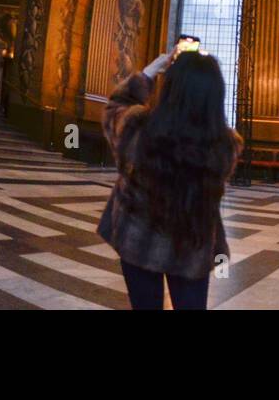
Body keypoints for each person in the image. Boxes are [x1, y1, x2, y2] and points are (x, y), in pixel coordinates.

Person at [99, 48, 242, 310]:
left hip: (138, 241)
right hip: (192, 245)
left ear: (170, 89)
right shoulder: (225, 146)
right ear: (215, 97)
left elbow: (114, 106)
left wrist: (150, 72)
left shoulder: (136, 129)